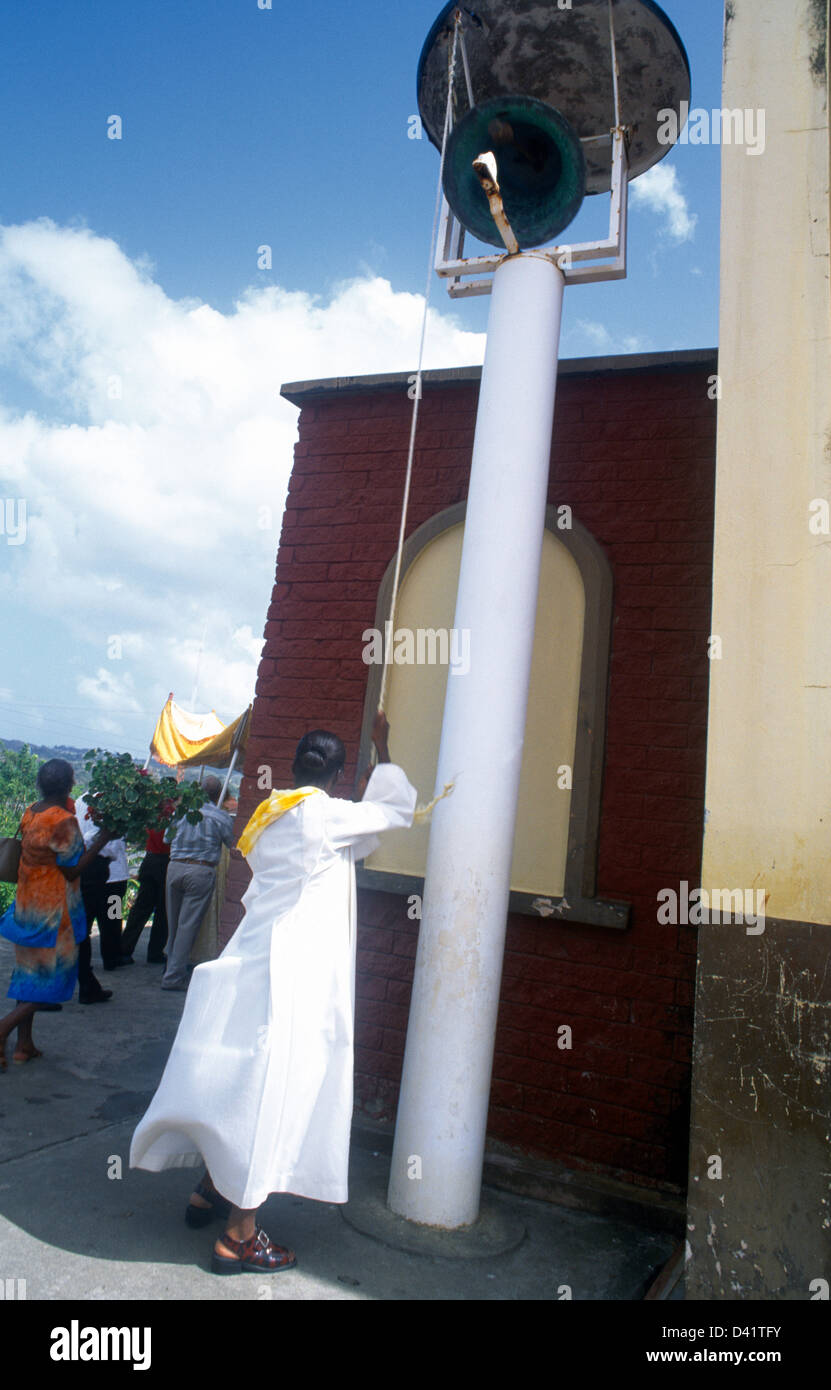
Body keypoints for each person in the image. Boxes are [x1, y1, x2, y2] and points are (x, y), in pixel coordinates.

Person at [130, 713, 415, 1275]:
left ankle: (211, 1186)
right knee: (273, 1089)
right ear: (335, 776)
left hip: (249, 959)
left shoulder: (270, 814)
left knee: (241, 1075)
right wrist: (383, 747)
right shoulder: (326, 816)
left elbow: (345, 839)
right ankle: (239, 1237)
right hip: (295, 974)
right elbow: (393, 812)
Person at [0, 760, 112, 1067]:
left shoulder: (31, 812)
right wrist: (102, 840)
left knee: (29, 976)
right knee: (53, 981)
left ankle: (24, 1045)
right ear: (69, 785)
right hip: (55, 912)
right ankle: (5, 1029)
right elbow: (71, 868)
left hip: (27, 906)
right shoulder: (63, 820)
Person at [160, 775, 235, 991]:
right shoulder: (220, 817)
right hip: (201, 869)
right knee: (187, 926)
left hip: (175, 866)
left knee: (173, 924)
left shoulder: (180, 812)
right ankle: (173, 976)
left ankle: (169, 968)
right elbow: (231, 843)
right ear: (218, 794)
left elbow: (167, 838)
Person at [75, 795, 129, 979]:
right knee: (113, 918)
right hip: (115, 875)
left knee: (87, 917)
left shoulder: (81, 800)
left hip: (88, 869)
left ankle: (82, 960)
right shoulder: (121, 802)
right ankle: (111, 957)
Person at [120, 820, 171, 965]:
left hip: (150, 859)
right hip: (165, 859)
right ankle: (155, 952)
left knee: (140, 909)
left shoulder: (154, 816)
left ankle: (125, 948)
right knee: (162, 912)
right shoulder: (173, 816)